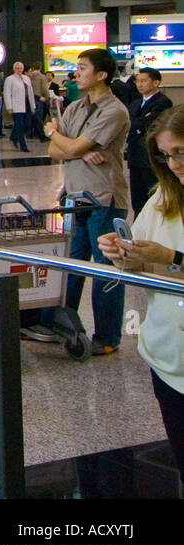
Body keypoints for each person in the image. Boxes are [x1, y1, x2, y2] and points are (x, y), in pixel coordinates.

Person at [97, 104, 184, 472]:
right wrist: (123, 254)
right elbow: (143, 257)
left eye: (180, 152)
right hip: (168, 357)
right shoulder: (164, 198)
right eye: (165, 156)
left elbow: (167, 258)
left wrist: (173, 257)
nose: (174, 164)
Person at [36, 48, 131, 355]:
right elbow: (56, 150)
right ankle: (60, 324)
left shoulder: (114, 111)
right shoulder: (76, 107)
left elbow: (65, 142)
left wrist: (56, 134)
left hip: (105, 196)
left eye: (82, 67)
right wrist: (75, 148)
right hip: (75, 195)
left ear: (102, 74)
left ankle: (107, 337)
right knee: (70, 265)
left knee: (105, 268)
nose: (76, 72)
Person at [128, 67, 173, 216]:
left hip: (150, 156)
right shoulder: (135, 103)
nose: (139, 84)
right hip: (134, 156)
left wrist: (135, 126)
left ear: (156, 82)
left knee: (152, 194)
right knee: (137, 197)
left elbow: (149, 124)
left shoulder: (163, 102)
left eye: (144, 81)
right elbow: (131, 124)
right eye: (137, 81)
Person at [3, 61, 36, 152]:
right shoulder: (10, 79)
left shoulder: (26, 78)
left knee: (27, 124)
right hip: (16, 106)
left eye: (20, 68)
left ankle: (14, 136)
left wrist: (33, 105)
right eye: (17, 68)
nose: (19, 70)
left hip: (27, 104)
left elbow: (30, 93)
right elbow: (7, 93)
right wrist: (9, 107)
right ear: (14, 69)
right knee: (19, 125)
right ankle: (23, 146)